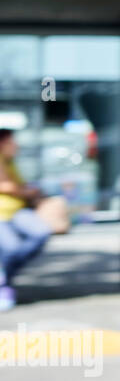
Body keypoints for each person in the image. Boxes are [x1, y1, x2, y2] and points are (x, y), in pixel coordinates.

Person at [0, 128, 54, 310]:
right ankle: (4, 283)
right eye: (11, 142)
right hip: (2, 214)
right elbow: (5, 185)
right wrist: (27, 191)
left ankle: (4, 277)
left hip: (17, 211)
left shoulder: (10, 161)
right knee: (11, 247)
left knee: (41, 232)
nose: (16, 146)